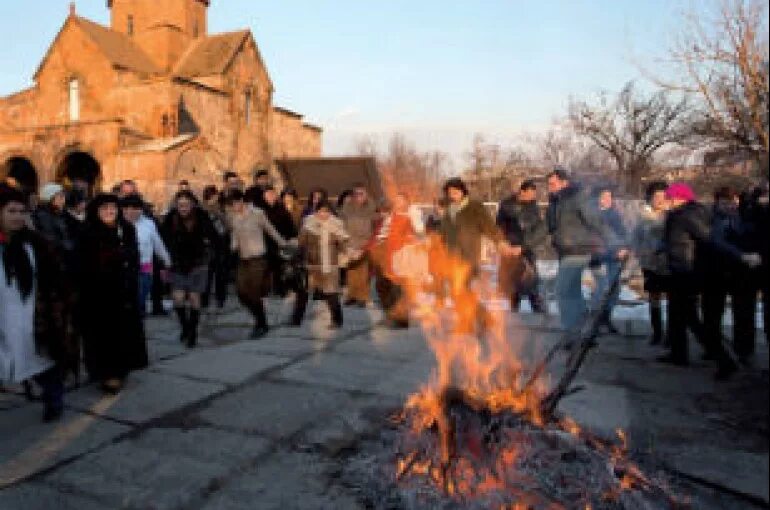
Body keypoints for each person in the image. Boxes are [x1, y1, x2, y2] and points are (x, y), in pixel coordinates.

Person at [660, 183, 754, 380]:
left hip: (687, 272)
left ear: (680, 198)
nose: (665, 201)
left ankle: (724, 360)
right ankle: (678, 354)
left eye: (668, 197)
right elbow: (673, 240)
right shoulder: (677, 215)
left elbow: (713, 240)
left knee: (692, 319)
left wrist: (741, 256)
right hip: (678, 271)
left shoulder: (688, 216)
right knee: (677, 316)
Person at [1, 186, 75, 422]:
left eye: (22, 211)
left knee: (41, 362)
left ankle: (54, 398)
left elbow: (57, 280)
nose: (17, 217)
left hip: (33, 315)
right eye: (11, 211)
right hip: (4, 315)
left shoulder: (36, 244)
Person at [79, 193, 147, 393]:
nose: (109, 212)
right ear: (96, 211)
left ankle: (121, 368)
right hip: (99, 294)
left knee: (124, 332)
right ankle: (107, 373)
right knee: (103, 335)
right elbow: (85, 263)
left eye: (112, 208)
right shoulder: (88, 232)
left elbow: (134, 256)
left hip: (124, 290)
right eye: (104, 209)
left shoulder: (126, 229)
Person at [545, 169, 627, 333]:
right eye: (548, 184)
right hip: (565, 251)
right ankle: (580, 328)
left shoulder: (577, 198)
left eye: (552, 184)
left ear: (564, 183)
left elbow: (597, 222)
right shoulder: (555, 202)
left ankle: (572, 330)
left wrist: (617, 244)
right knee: (572, 291)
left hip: (578, 250)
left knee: (562, 291)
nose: (549, 187)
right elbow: (548, 227)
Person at [702, 186, 763, 367]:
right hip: (716, 270)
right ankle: (712, 347)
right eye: (725, 202)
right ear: (717, 202)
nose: (730, 205)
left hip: (742, 273)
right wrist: (742, 255)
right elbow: (716, 241)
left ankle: (744, 350)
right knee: (712, 311)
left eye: (733, 201)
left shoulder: (745, 215)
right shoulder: (711, 218)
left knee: (744, 311)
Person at [225, 190, 289, 338]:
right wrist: (232, 249)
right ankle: (258, 317)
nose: (234, 207)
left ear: (241, 201)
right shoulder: (233, 217)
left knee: (253, 292)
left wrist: (283, 244)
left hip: (258, 259)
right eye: (231, 205)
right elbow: (235, 235)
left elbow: (270, 230)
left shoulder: (257, 213)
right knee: (241, 292)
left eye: (235, 204)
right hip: (242, 258)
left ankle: (261, 324)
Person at [162, 190, 219, 347]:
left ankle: (192, 331)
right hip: (177, 264)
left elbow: (214, 237)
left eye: (186, 204)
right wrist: (166, 259)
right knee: (178, 298)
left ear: (192, 204)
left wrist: (210, 255)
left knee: (195, 298)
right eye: (180, 205)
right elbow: (163, 239)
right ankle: (185, 326)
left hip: (198, 263)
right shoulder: (170, 218)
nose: (183, 208)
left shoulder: (202, 216)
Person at [290, 200, 349, 329]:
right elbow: (301, 242)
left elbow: (344, 244)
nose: (324, 214)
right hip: (311, 264)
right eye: (321, 211)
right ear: (316, 212)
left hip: (330, 264)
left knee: (331, 294)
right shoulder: (308, 224)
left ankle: (337, 320)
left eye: (326, 211)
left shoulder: (336, 225)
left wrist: (346, 255)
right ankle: (296, 320)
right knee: (303, 293)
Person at [370, 193, 425, 328]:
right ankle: (391, 314)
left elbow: (418, 235)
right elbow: (381, 234)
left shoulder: (411, 216)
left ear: (406, 202)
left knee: (398, 289)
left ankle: (401, 320)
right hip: (386, 255)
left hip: (402, 257)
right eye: (396, 201)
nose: (398, 203)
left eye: (401, 201)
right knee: (382, 286)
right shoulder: (390, 217)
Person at [496, 179, 547, 313]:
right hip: (509, 251)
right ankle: (514, 317)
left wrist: (524, 247)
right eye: (530, 194)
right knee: (513, 288)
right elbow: (499, 227)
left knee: (532, 285)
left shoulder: (534, 207)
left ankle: (540, 314)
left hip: (526, 250)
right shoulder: (506, 205)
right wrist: (503, 243)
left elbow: (537, 230)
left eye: (534, 195)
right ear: (522, 191)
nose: (532, 197)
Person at [632, 181, 670, 346]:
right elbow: (635, 237)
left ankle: (671, 334)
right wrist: (638, 252)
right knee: (654, 297)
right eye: (656, 196)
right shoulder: (642, 216)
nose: (660, 200)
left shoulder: (672, 214)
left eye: (663, 196)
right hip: (649, 263)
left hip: (668, 264)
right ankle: (657, 332)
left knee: (671, 299)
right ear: (650, 198)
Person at [121, 194, 171, 317]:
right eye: (127, 208)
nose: (130, 211)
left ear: (141, 209)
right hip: (125, 269)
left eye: (135, 208)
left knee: (141, 296)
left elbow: (157, 243)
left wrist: (166, 259)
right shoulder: (117, 225)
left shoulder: (148, 223)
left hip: (145, 267)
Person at [592, 186, 628, 334]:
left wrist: (624, 247)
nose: (607, 200)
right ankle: (595, 320)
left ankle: (606, 318)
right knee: (601, 289)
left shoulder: (615, 214)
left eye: (609, 197)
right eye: (604, 196)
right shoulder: (591, 215)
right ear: (597, 198)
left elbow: (623, 233)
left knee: (614, 290)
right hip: (598, 257)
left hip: (614, 256)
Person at [340, 184, 377, 307]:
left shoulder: (371, 208)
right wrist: (344, 242)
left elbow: (376, 226)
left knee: (363, 272)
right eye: (357, 194)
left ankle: (362, 297)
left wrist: (369, 243)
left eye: (362, 194)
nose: (359, 196)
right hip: (350, 243)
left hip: (365, 244)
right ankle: (352, 296)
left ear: (366, 195)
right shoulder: (347, 208)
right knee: (351, 272)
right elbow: (341, 225)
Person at [262, 185, 299, 296]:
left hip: (281, 242)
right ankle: (265, 290)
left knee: (280, 267)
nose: (270, 197)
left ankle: (280, 289)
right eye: (268, 195)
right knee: (267, 268)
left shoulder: (281, 209)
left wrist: (292, 237)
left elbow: (290, 226)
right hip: (266, 242)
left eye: (272, 194)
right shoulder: (260, 210)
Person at [32, 183, 78, 272]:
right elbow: (50, 238)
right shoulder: (43, 215)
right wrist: (71, 246)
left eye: (63, 196)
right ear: (50, 198)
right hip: (54, 262)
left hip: (67, 258)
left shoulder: (63, 213)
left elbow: (77, 227)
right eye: (60, 196)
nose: (63, 199)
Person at [201, 185, 229, 309]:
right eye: (214, 195)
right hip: (207, 246)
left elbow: (227, 226)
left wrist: (219, 214)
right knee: (207, 275)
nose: (216, 198)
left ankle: (220, 299)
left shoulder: (220, 209)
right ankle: (205, 300)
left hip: (220, 245)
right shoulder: (201, 210)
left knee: (220, 274)